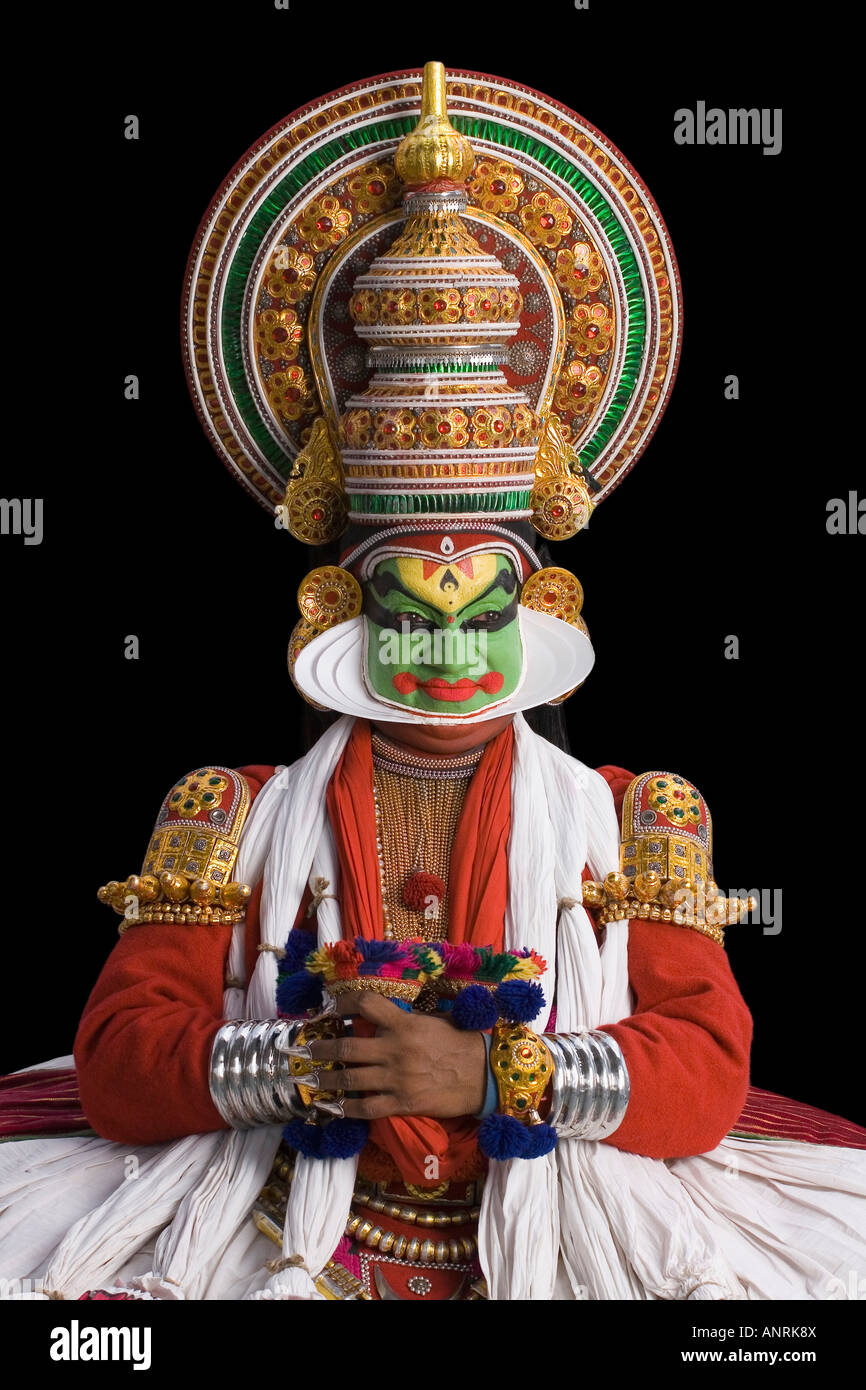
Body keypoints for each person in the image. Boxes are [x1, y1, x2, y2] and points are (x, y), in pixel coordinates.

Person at [0, 63, 863, 1303]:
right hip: (273, 1219)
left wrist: (495, 1075)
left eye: (484, 614)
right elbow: (124, 1060)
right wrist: (314, 1064)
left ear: (546, 608)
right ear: (335, 607)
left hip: (572, 1219)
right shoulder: (222, 810)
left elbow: (701, 1074)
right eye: (410, 610)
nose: (449, 658)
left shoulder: (641, 815)